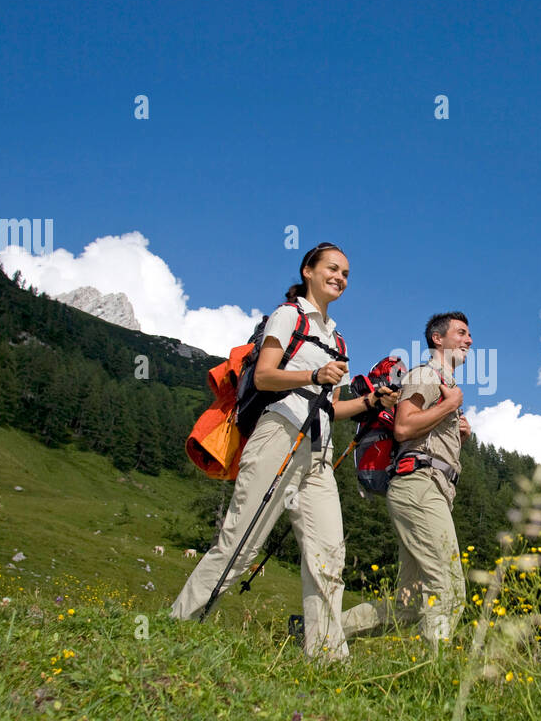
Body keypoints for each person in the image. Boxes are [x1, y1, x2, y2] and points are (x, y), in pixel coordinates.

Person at [170, 243, 397, 661]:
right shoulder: (289, 315)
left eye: (346, 273)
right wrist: (313, 373)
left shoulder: (339, 338)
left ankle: (327, 657)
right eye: (332, 269)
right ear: (308, 270)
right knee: (241, 542)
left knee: (328, 556)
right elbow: (265, 375)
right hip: (278, 434)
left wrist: (371, 403)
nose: (340, 278)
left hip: (318, 455)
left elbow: (330, 406)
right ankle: (180, 625)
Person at [342, 311, 473, 649]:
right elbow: (403, 427)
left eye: (469, 335)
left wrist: (459, 431)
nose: (469, 340)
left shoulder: (444, 386)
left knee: (411, 604)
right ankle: (434, 676)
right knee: (448, 589)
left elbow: (422, 432)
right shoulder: (426, 376)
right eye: (461, 333)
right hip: (419, 486)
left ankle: (321, 632)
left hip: (425, 486)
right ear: (437, 339)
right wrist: (450, 407)